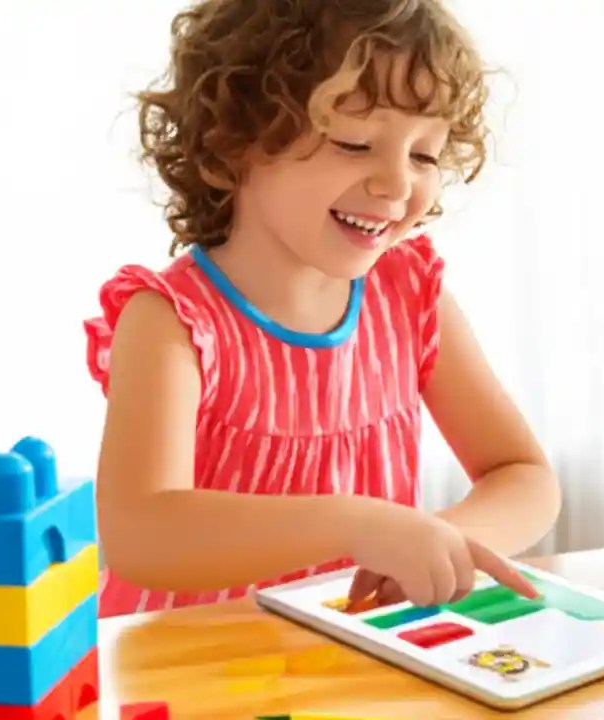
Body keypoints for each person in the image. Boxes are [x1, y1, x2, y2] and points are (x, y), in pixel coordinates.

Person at [85, 0, 561, 618]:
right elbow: (140, 534)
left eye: (424, 155)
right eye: (355, 142)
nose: (396, 184)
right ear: (234, 144)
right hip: (188, 667)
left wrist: (444, 540)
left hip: (351, 658)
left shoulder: (410, 297)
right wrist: (359, 524)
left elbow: (524, 475)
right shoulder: (171, 321)